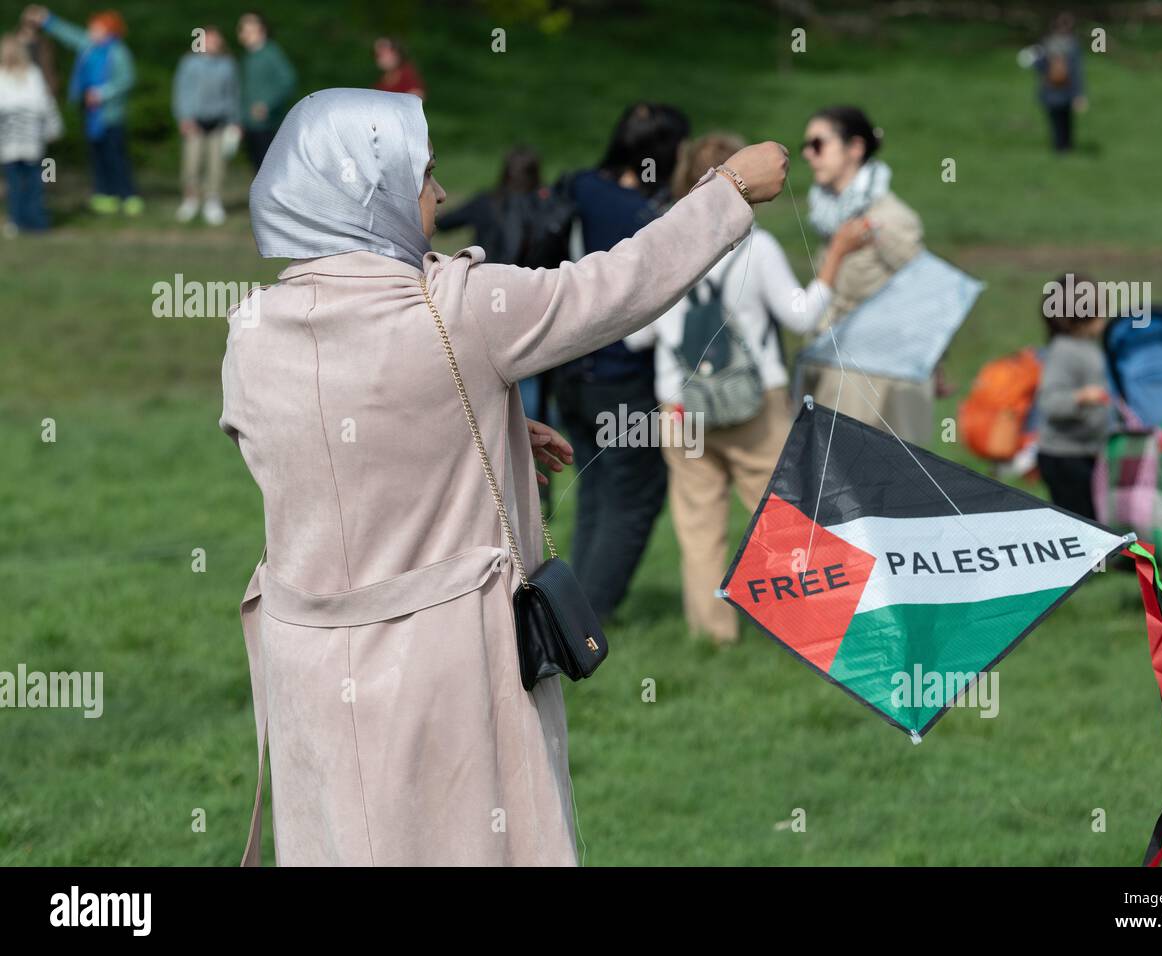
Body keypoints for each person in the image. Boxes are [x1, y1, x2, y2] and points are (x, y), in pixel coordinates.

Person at [220, 88, 787, 865]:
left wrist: (473, 423)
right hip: (442, 665)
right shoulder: (458, 308)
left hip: (309, 668)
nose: (443, 193)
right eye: (424, 175)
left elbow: (315, 449)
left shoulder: (252, 330)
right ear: (369, 188)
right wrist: (726, 192)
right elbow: (610, 289)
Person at [626, 132, 870, 643]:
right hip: (754, 405)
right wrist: (835, 257)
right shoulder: (758, 248)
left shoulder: (660, 242)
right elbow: (802, 315)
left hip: (679, 406)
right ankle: (815, 628)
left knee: (697, 528)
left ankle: (713, 634)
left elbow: (636, 335)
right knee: (785, 519)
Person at [550, 102, 692, 621]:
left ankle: (570, 608)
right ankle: (588, 618)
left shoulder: (579, 187)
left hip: (571, 371)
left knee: (597, 489)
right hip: (623, 379)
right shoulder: (652, 216)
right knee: (634, 495)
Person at [798, 104, 932, 445]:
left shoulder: (888, 217)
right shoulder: (830, 216)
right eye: (805, 147)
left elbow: (928, 291)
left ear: (855, 148)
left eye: (817, 145)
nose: (808, 155)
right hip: (833, 367)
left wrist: (935, 362)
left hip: (881, 381)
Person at [437, 145, 570, 423]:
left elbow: (443, 223)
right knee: (532, 376)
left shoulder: (487, 203)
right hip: (535, 304)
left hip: (485, 304)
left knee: (488, 380)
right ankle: (532, 432)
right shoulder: (550, 208)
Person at [23, 5, 140, 215]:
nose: (91, 32)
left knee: (115, 157)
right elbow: (69, 34)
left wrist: (101, 93)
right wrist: (47, 20)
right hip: (90, 113)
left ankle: (128, 197)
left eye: (96, 28)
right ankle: (105, 197)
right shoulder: (89, 46)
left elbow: (127, 80)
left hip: (111, 115)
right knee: (97, 157)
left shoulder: (118, 52)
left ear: (109, 30)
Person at [1036, 273, 1110, 519]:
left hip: (1086, 453)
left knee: (1093, 518)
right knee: (1080, 522)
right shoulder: (1064, 351)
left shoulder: (1088, 347)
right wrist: (1080, 397)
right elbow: (1050, 402)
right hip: (1064, 457)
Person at [172, 25, 240, 225]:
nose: (211, 42)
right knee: (192, 163)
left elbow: (233, 93)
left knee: (217, 164)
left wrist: (235, 121)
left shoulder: (228, 64)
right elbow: (181, 91)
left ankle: (213, 200)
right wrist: (183, 117)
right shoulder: (189, 63)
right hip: (194, 121)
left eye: (214, 39)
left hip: (219, 122)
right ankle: (191, 199)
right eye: (207, 38)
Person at [0, 32, 61, 236]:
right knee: (36, 181)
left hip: (10, 140)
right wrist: (53, 128)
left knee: (16, 183)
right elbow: (45, 104)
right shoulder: (33, 73)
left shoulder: (4, 75)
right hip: (31, 139)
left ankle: (18, 221)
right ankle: (36, 221)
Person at [1018, 12, 1087, 153]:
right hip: (1058, 91)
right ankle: (1063, 149)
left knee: (1061, 121)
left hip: (1054, 92)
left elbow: (1040, 67)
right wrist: (1079, 94)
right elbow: (1076, 72)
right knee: (1061, 122)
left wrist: (1079, 95)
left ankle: (1062, 149)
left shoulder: (1046, 44)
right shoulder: (1071, 46)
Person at [235, 12, 295, 170]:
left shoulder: (271, 53)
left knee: (267, 167)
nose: (243, 33)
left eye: (248, 28)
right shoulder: (247, 57)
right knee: (255, 165)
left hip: (268, 124)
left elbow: (288, 81)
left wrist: (267, 105)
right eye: (241, 29)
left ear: (261, 30)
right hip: (250, 124)